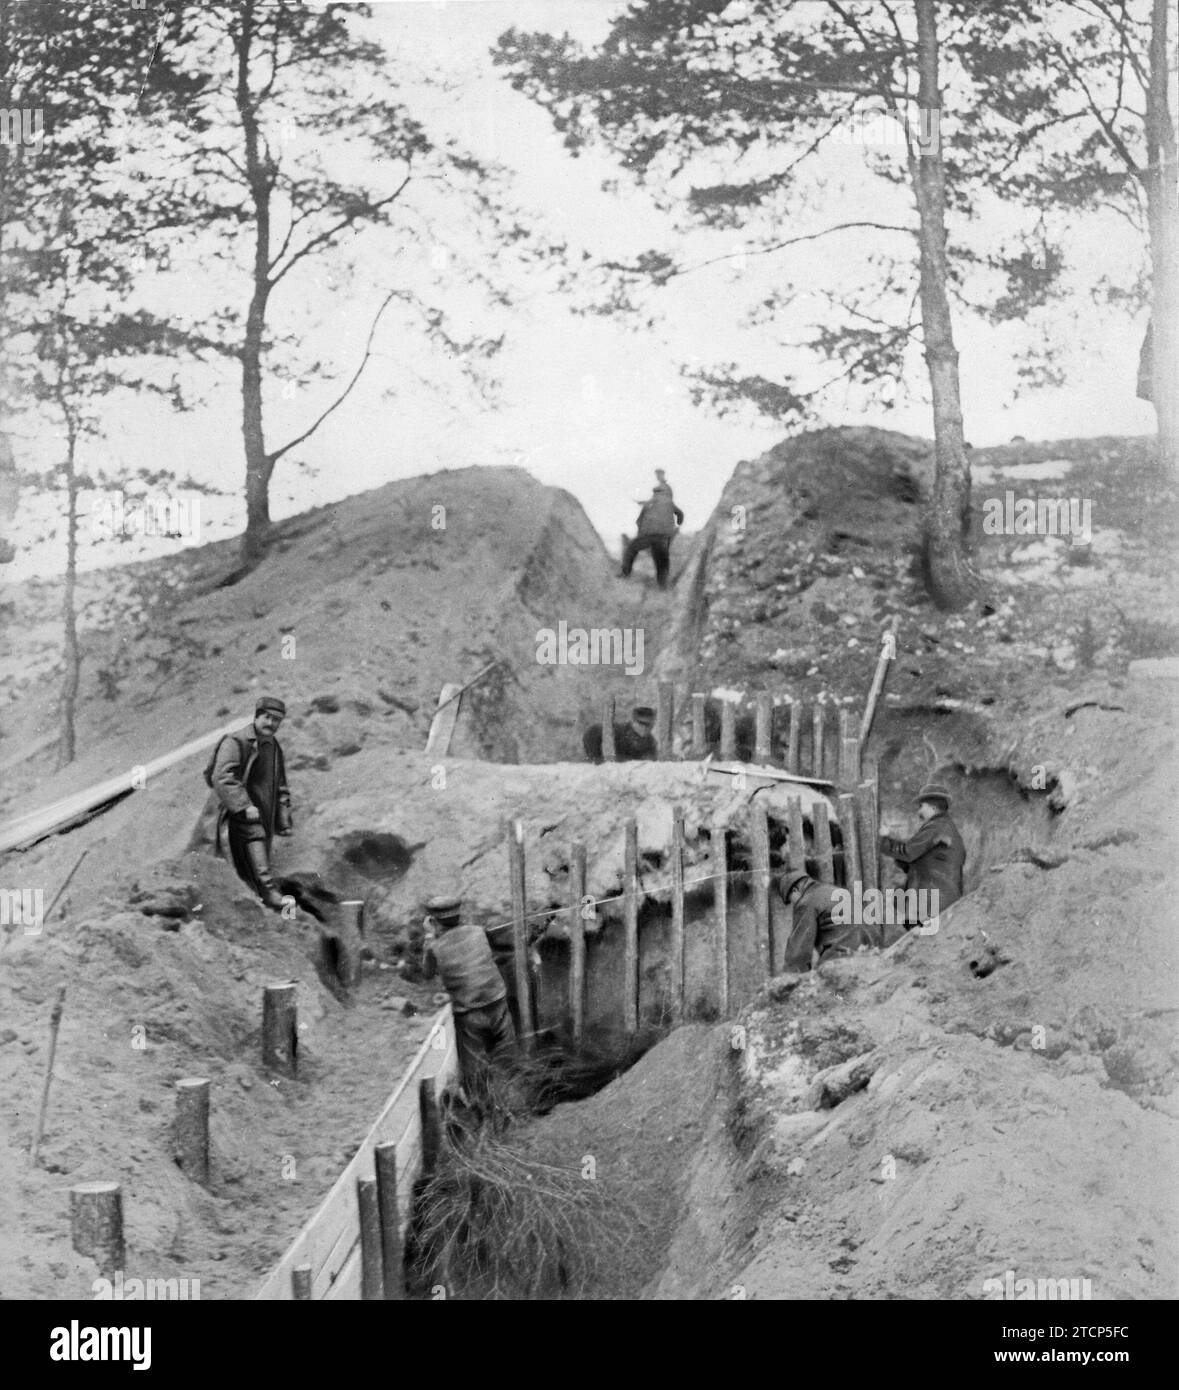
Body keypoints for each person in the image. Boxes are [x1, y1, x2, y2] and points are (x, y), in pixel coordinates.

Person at [422, 893, 517, 1100]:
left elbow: (427, 973)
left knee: (474, 1069)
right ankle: (512, 1095)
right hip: (497, 1001)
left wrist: (429, 937)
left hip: (469, 1014)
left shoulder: (434, 947)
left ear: (434, 921)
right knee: (507, 1054)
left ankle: (483, 1105)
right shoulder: (478, 932)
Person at [209, 696, 293, 911]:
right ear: (256, 717)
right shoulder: (235, 742)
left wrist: (283, 819)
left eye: (276, 720)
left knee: (250, 859)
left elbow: (281, 785)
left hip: (262, 811)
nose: (271, 724)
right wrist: (244, 805)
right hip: (235, 813)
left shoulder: (273, 748)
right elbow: (222, 777)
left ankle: (257, 899)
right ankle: (269, 892)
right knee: (244, 848)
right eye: (267, 718)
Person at [878, 782, 966, 919]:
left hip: (936, 898)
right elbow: (917, 860)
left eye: (921, 806)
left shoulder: (937, 827)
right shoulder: (943, 826)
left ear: (932, 807)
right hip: (942, 896)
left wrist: (882, 840)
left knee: (902, 901)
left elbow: (908, 853)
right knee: (899, 895)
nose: (919, 811)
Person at [778, 868, 872, 972]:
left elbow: (798, 952)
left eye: (791, 900)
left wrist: (787, 979)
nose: (794, 904)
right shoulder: (834, 890)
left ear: (795, 890)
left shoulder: (805, 902)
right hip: (869, 953)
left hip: (841, 960)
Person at [620, 474, 684, 590]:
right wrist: (678, 526)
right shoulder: (669, 502)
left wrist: (640, 533)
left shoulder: (650, 502)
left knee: (631, 549)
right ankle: (663, 585)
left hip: (648, 535)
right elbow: (680, 514)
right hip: (663, 536)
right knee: (662, 560)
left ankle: (625, 573)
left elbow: (639, 520)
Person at [582, 705, 658, 762]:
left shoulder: (650, 742)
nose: (645, 728)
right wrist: (596, 758)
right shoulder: (618, 732)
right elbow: (592, 732)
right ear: (633, 721)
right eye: (641, 723)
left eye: (649, 725)